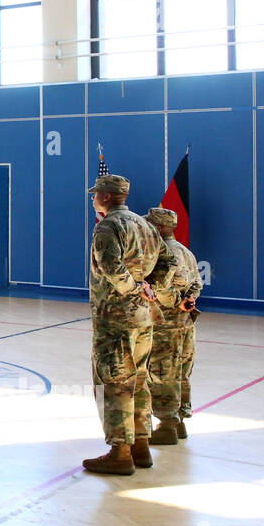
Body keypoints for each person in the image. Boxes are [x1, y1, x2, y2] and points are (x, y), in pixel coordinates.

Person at [83, 174, 173, 475]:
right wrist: (150, 288)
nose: (93, 198)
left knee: (115, 383)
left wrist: (133, 289)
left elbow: (110, 266)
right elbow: (167, 262)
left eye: (96, 194)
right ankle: (141, 445)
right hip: (143, 317)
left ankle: (120, 452)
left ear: (106, 197)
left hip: (115, 319)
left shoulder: (108, 226)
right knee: (139, 380)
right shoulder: (145, 225)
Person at [145, 207, 203, 446]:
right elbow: (197, 283)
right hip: (186, 324)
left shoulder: (162, 252)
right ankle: (179, 421)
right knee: (181, 372)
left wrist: (177, 303)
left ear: (157, 227)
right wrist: (189, 300)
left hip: (165, 323)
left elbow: (161, 288)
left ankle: (166, 424)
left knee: (161, 373)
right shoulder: (186, 252)